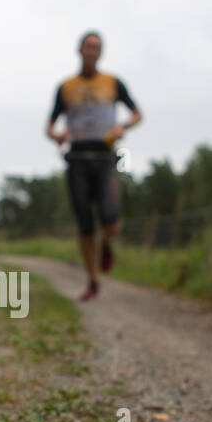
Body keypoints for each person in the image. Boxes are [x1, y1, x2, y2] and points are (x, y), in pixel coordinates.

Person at [46, 31, 142, 300]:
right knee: (85, 224)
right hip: (76, 158)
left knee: (111, 217)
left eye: (96, 47)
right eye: (88, 46)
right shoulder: (65, 87)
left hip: (104, 157)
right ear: (79, 50)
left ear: (101, 52)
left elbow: (137, 114)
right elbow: (50, 125)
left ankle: (107, 242)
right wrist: (57, 136)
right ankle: (92, 280)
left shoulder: (113, 83)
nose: (91, 51)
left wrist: (123, 127)